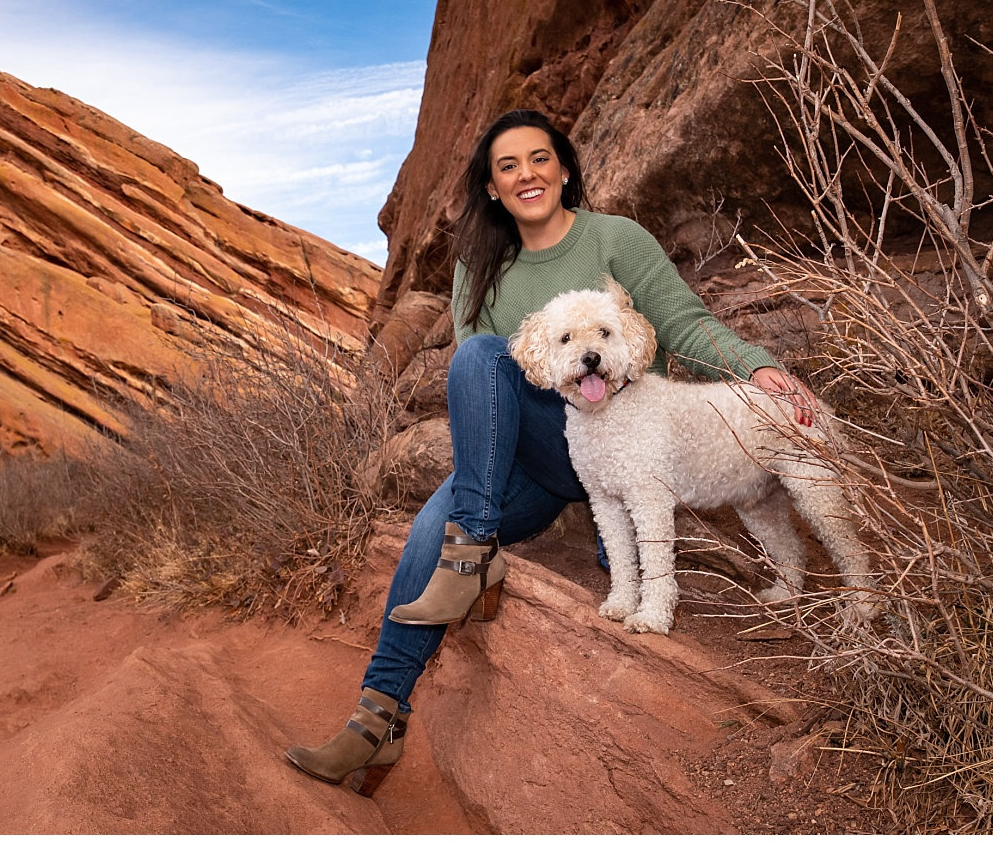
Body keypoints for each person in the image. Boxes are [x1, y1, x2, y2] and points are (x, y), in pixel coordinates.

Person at [283, 109, 814, 796]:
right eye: (507, 166)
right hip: (535, 456)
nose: (525, 173)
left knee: (475, 387)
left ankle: (505, 544)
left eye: (539, 158)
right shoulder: (480, 264)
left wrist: (754, 368)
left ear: (564, 169)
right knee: (457, 431)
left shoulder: (614, 238)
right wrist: (477, 485)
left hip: (619, 442)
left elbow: (683, 324)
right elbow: (478, 386)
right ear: (491, 188)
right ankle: (377, 719)